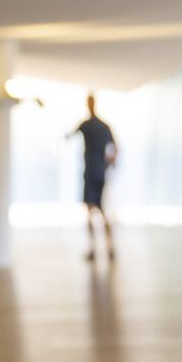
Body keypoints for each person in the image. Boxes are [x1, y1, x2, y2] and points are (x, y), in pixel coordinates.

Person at [71, 95, 117, 261]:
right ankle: (106, 248)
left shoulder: (90, 125)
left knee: (94, 210)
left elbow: (69, 135)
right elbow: (114, 148)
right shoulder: (102, 126)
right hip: (98, 172)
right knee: (98, 211)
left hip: (92, 173)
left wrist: (109, 163)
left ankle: (100, 248)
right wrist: (110, 163)